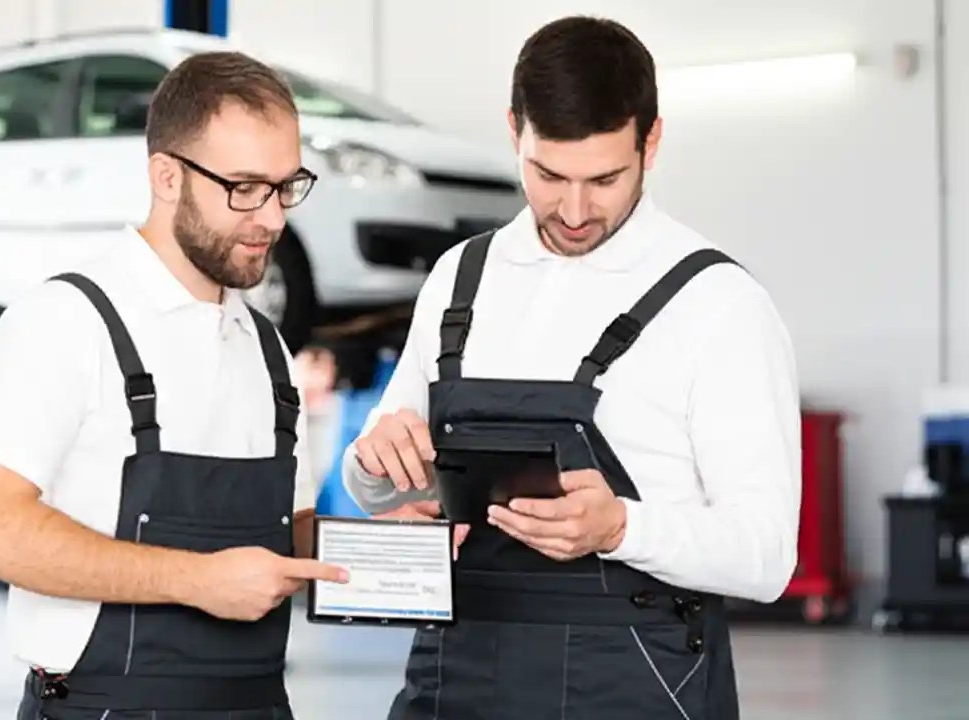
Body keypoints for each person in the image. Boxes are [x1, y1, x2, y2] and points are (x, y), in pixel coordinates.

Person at [343, 15, 801, 720]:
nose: (576, 210)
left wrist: (620, 529)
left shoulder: (719, 303)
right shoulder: (460, 278)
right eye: (549, 175)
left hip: (637, 686)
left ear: (652, 142)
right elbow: (377, 481)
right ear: (514, 132)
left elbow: (766, 557)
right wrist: (376, 464)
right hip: (455, 679)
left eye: (605, 178)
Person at [0, 50, 349, 719]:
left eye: (286, 187)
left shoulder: (267, 349)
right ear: (167, 176)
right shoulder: (67, 321)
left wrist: (386, 548)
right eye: (245, 188)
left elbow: (289, 529)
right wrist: (197, 580)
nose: (274, 218)